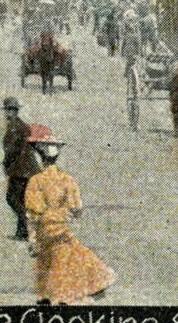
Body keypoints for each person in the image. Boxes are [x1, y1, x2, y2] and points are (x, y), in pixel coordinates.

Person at [24, 129, 115, 304]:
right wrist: (64, 213)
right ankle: (74, 291)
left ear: (40, 158)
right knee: (66, 257)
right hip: (61, 227)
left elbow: (33, 214)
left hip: (44, 229)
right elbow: (77, 208)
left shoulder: (35, 181)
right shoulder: (67, 180)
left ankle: (49, 296)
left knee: (46, 262)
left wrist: (32, 238)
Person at [2, 96, 34, 240]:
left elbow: (12, 149)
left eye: (9, 110)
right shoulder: (22, 125)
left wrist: (6, 163)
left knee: (11, 198)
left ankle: (26, 224)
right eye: (7, 110)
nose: (7, 113)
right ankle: (22, 232)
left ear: (13, 111)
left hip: (19, 169)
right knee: (21, 199)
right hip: (27, 169)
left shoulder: (14, 126)